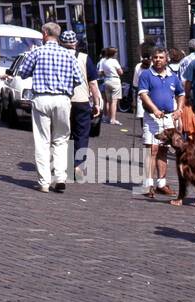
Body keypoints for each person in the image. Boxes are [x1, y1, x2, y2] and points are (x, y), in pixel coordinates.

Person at [16, 22, 83, 193]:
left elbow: (23, 73)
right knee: (61, 139)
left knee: (42, 141)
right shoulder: (69, 55)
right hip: (62, 99)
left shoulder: (37, 52)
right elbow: (78, 79)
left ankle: (44, 182)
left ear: (45, 34)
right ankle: (60, 177)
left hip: (42, 98)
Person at [137, 47, 184, 198]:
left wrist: (180, 109)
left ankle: (161, 184)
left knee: (164, 150)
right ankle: (148, 184)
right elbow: (143, 94)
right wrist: (154, 109)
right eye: (155, 57)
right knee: (152, 149)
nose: (157, 60)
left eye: (161, 57)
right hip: (152, 117)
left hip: (169, 117)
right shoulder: (146, 74)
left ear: (166, 59)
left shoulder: (172, 76)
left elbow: (181, 93)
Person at [66, 33, 102, 180]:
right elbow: (93, 83)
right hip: (81, 100)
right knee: (82, 133)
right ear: (76, 43)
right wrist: (97, 103)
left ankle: (66, 164)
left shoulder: (58, 55)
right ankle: (78, 165)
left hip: (64, 101)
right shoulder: (84, 58)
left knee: (64, 133)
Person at [97, 48, 124, 125]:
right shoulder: (114, 61)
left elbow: (101, 72)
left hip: (107, 81)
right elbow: (121, 72)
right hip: (115, 81)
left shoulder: (104, 61)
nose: (117, 54)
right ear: (113, 54)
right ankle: (113, 119)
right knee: (114, 102)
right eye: (116, 53)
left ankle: (108, 117)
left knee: (108, 101)